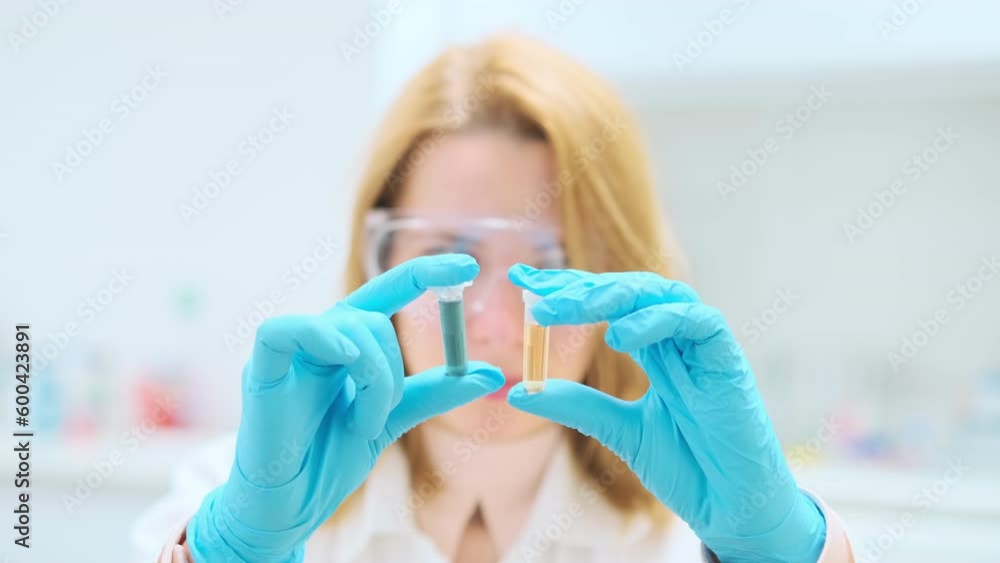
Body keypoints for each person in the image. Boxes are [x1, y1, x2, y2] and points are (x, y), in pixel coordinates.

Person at [136, 34, 855, 562]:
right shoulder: (237, 495)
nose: (496, 322)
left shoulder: (692, 530)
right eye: (449, 266)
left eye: (553, 265)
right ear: (377, 263)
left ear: (623, 273)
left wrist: (785, 554)